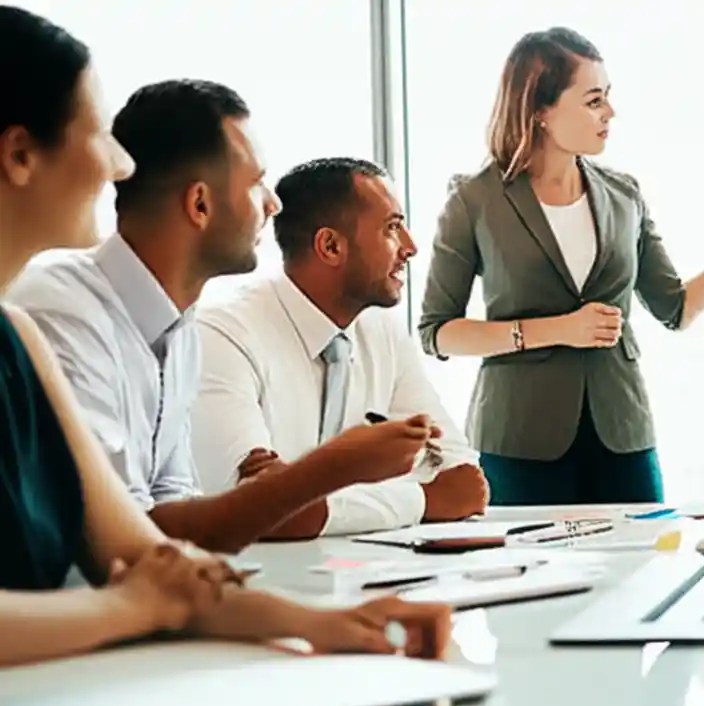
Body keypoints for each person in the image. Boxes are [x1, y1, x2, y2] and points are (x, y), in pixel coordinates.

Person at [0, 6, 450, 667]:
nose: (120, 166)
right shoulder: (55, 310)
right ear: (18, 154)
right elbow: (141, 580)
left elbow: (149, 558)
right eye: (98, 135)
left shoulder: (23, 335)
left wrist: (335, 624)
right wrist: (131, 606)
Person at [7, 77, 439, 554]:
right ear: (200, 204)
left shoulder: (178, 328)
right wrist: (337, 466)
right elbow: (126, 542)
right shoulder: (65, 312)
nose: (274, 205)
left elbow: (175, 516)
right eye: (257, 184)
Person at [418, 27, 704, 505]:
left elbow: (678, 308)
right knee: (529, 576)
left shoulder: (623, 194)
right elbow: (438, 332)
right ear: (540, 110)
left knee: (639, 572)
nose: (609, 113)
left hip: (623, 435)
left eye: (607, 97)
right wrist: (558, 329)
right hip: (521, 441)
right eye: (593, 101)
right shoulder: (474, 200)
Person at [192, 157, 489, 535]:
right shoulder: (223, 335)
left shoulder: (381, 329)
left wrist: (302, 495)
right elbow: (257, 508)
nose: (411, 247)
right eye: (392, 228)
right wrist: (424, 499)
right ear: (330, 246)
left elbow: (463, 480)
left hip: (359, 572)